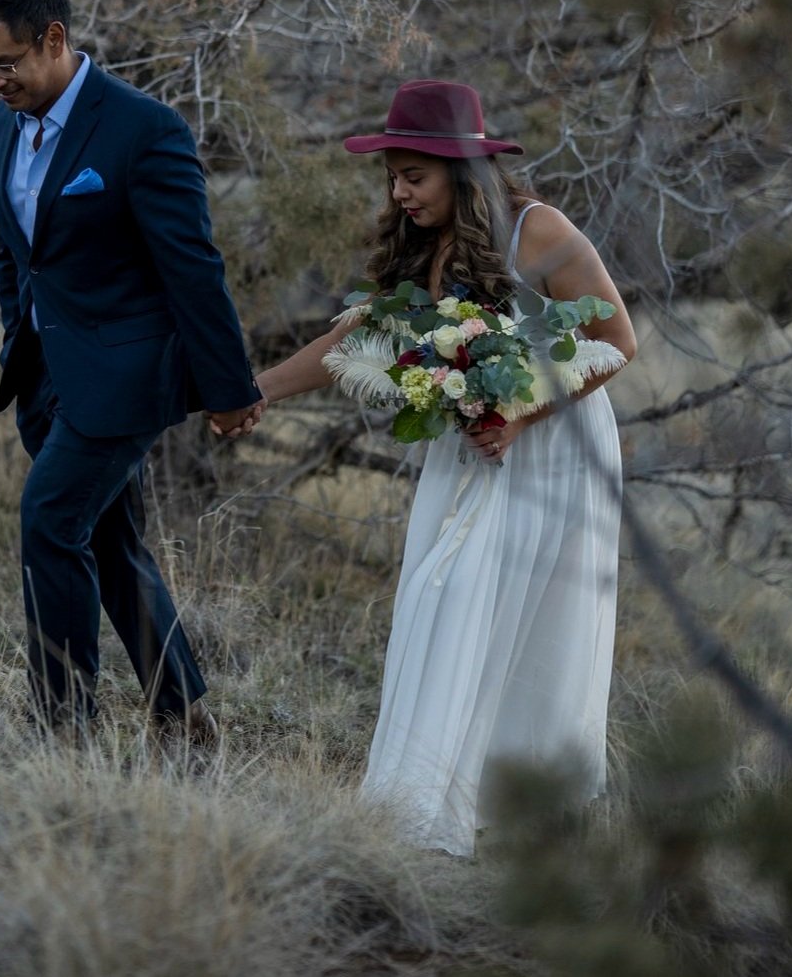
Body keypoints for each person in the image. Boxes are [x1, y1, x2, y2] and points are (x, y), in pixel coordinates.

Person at [253, 79, 637, 854]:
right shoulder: (419, 246)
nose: (398, 192)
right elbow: (349, 342)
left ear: (461, 171)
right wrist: (249, 391)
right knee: (443, 598)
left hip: (551, 447)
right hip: (464, 446)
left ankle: (516, 809)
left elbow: (618, 340)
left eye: (413, 176)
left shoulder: (540, 231)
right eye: (392, 175)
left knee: (521, 623)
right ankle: (421, 804)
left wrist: (521, 414)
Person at [0, 0, 265, 745]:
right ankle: (185, 711)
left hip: (127, 374)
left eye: (8, 63)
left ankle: (63, 726)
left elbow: (192, 267)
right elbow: (12, 249)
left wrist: (229, 388)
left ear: (55, 40)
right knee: (106, 535)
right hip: (43, 371)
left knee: (48, 518)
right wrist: (15, 335)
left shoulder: (143, 128)